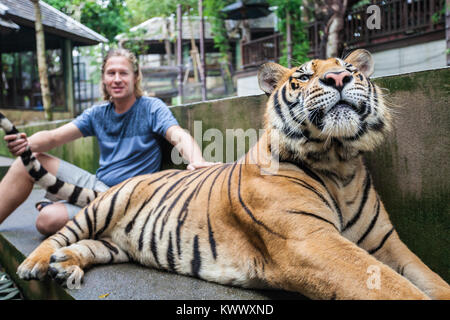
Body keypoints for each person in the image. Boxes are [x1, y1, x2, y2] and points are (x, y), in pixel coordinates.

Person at [0, 48, 213, 236]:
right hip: (97, 187)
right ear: (104, 78)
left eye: (123, 73)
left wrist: (197, 161)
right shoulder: (97, 114)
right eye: (111, 73)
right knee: (27, 162)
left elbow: (178, 135)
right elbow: (54, 137)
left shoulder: (151, 107)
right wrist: (24, 144)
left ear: (136, 77)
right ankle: (75, 206)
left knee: (46, 220)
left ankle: (72, 207)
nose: (117, 79)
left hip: (129, 198)